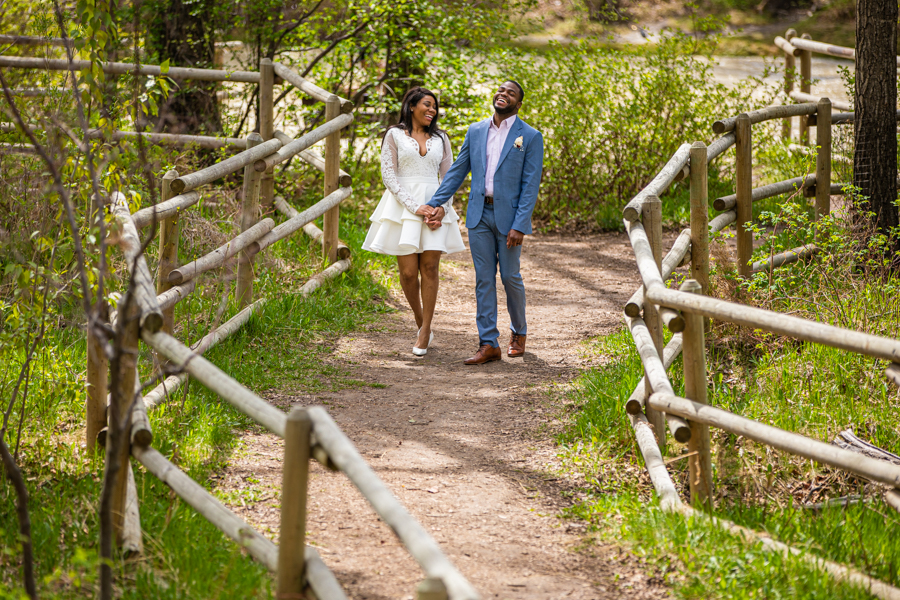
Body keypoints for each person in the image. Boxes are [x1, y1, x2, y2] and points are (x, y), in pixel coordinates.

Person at [425, 80, 544, 365]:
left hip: (509, 219)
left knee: (510, 277)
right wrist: (435, 202)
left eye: (511, 93)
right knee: (483, 279)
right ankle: (488, 343)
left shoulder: (529, 136)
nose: (503, 95)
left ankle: (519, 333)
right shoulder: (476, 130)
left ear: (519, 103)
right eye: (501, 91)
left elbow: (530, 186)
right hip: (479, 215)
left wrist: (520, 225)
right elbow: (457, 170)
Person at [362, 87, 466, 356]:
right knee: (408, 273)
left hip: (435, 202)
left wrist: (441, 208)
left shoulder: (441, 137)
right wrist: (414, 206)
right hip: (403, 205)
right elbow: (389, 175)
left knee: (430, 268)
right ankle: (422, 324)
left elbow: (450, 176)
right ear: (411, 106)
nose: (432, 110)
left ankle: (425, 330)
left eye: (435, 107)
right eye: (427, 105)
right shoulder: (394, 135)